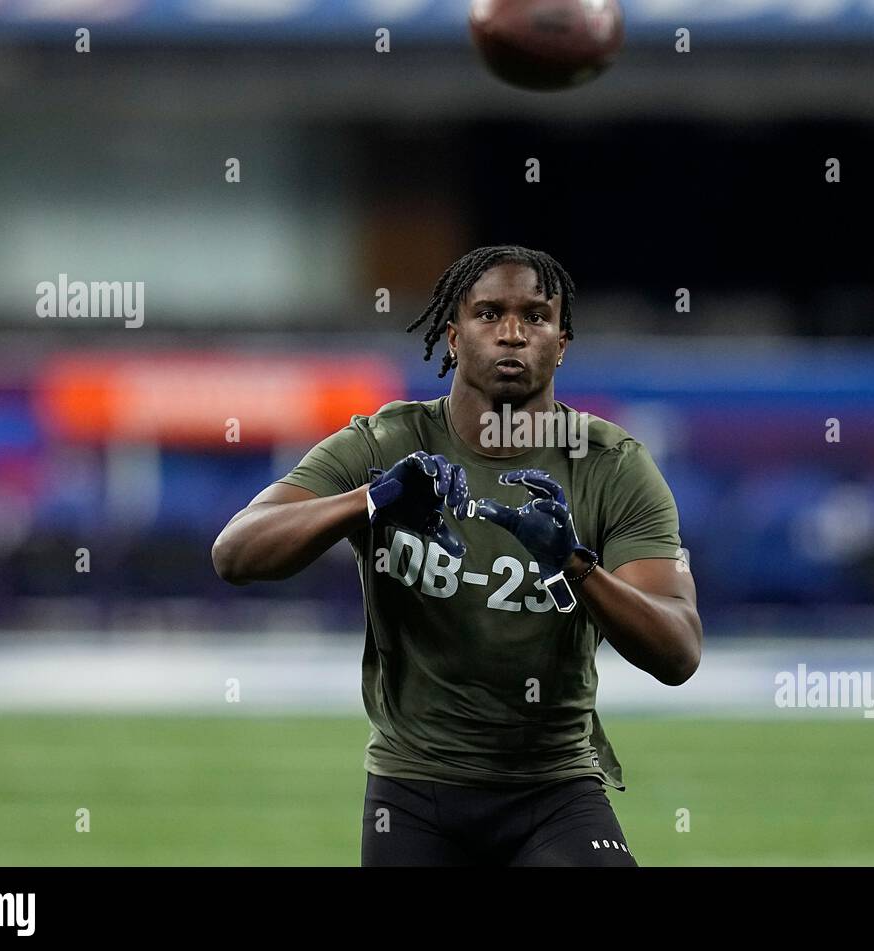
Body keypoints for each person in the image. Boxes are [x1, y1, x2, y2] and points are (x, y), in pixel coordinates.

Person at [212, 244, 702, 866]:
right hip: (413, 788)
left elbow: (679, 652)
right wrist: (373, 499)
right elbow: (236, 553)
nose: (513, 334)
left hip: (553, 782)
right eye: (490, 313)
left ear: (561, 344)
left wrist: (578, 567)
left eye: (536, 317)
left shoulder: (610, 466)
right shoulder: (386, 441)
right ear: (452, 336)